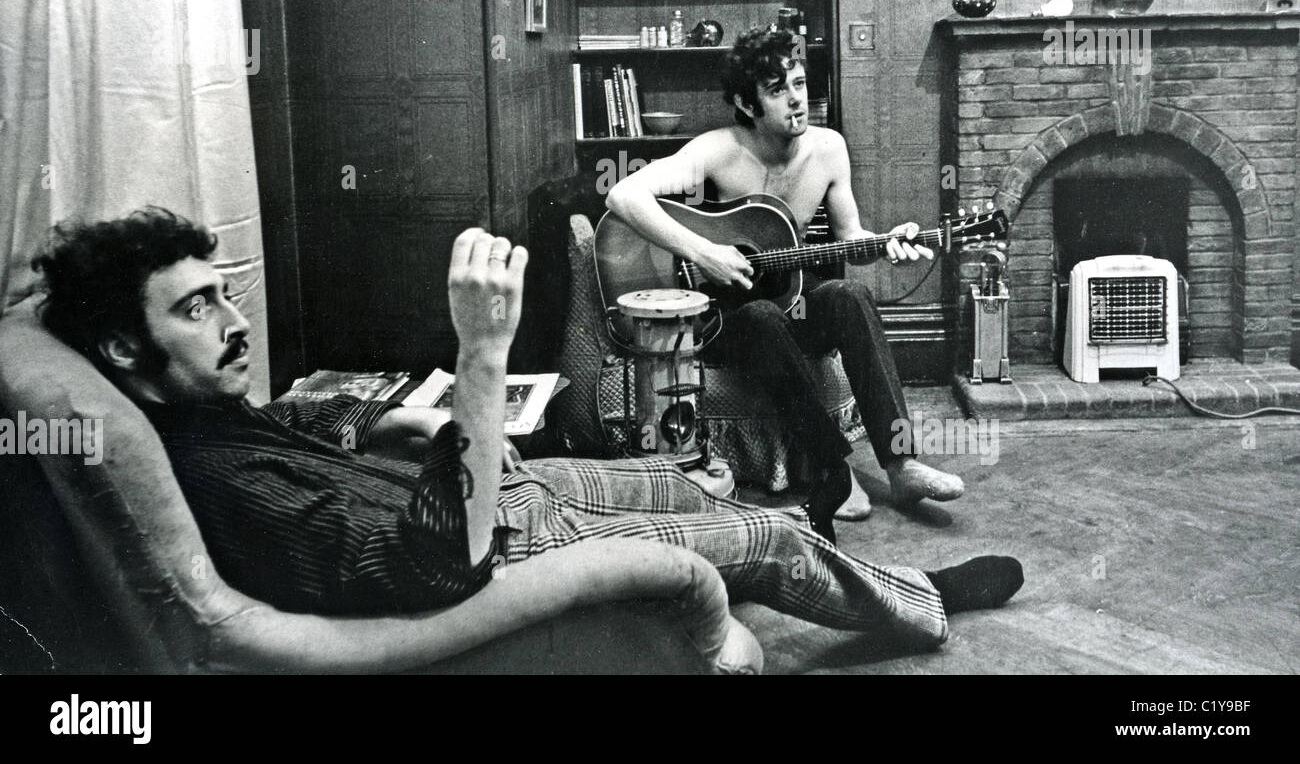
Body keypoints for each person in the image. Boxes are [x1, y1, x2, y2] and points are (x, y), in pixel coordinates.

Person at [30, 207, 1022, 657]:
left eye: (224, 296)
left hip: (500, 499)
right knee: (765, 534)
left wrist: (423, 425)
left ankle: (825, 576)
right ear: (122, 346)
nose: (235, 322)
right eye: (196, 309)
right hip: (503, 545)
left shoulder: (207, 417)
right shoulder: (221, 481)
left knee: (693, 484)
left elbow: (323, 440)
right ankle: (922, 606)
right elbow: (430, 565)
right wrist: (479, 352)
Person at [605, 27, 966, 539]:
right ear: (746, 104)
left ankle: (901, 465)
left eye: (798, 82)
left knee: (848, 294)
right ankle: (831, 470)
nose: (797, 99)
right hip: (721, 321)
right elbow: (623, 195)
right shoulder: (716, 151)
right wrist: (704, 251)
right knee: (759, 315)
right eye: (778, 90)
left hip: (788, 306)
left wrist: (890, 245)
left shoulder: (828, 150)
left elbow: (850, 237)